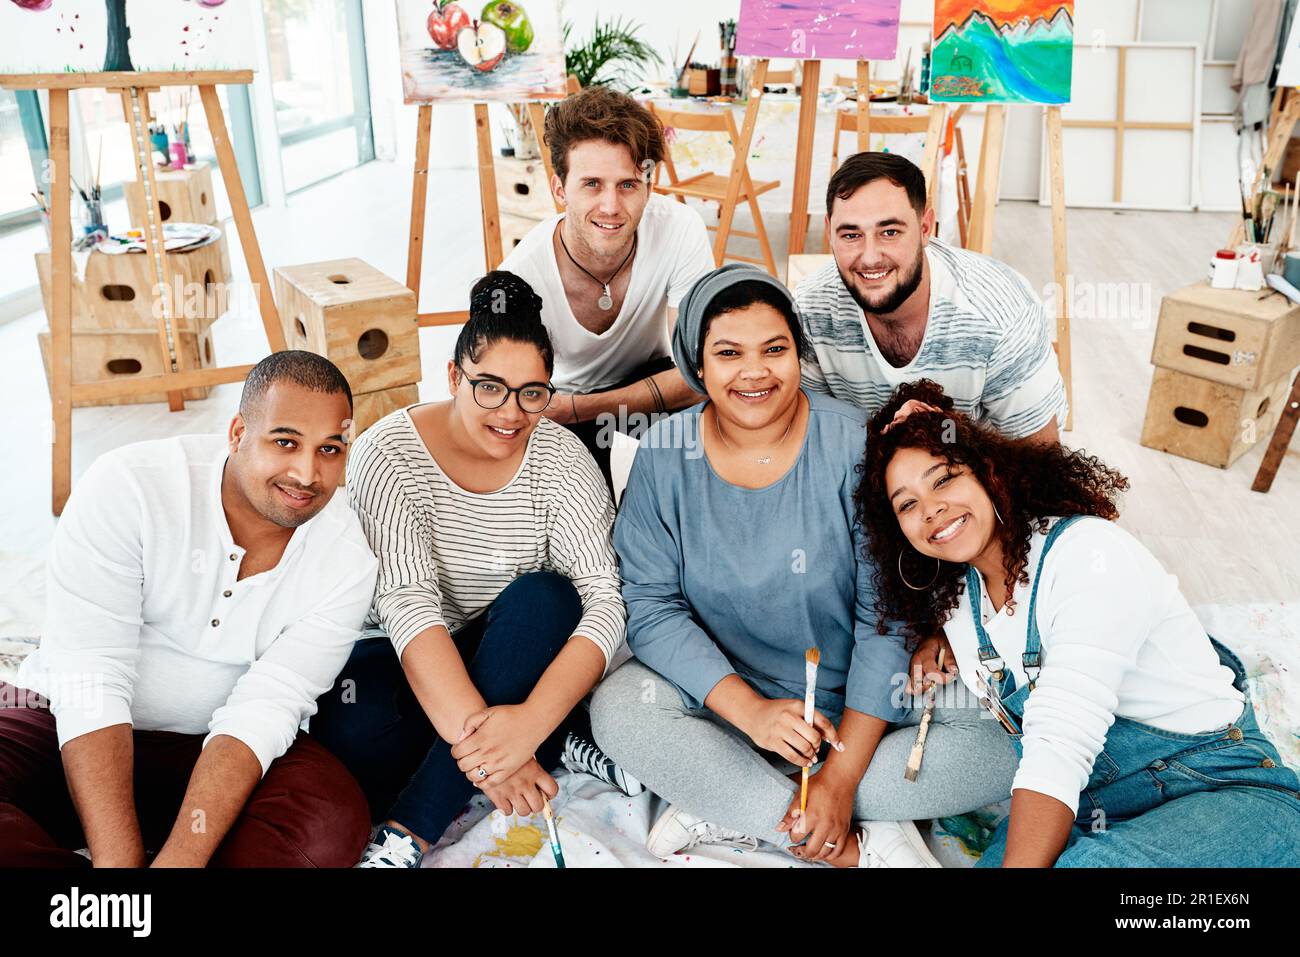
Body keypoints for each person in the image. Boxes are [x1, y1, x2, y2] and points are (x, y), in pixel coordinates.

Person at [589, 265, 1020, 868]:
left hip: (865, 710)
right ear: (698, 364)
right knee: (618, 708)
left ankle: (745, 803)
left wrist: (842, 780)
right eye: (729, 353)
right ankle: (844, 838)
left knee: (999, 742)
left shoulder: (850, 443)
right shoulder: (666, 455)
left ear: (799, 352)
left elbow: (887, 614)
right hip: (729, 703)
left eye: (775, 349)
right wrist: (749, 711)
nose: (755, 371)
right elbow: (652, 605)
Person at [856, 378, 1300, 867]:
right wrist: (934, 634)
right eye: (907, 504)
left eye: (944, 479)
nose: (932, 509)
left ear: (991, 476)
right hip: (1094, 807)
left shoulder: (1089, 555)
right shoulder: (960, 601)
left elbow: (1057, 747)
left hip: (1219, 787)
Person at [0, 351, 378, 868]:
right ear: (238, 431)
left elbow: (265, 708)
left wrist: (181, 859)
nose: (306, 474)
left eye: (330, 449)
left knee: (331, 821)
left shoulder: (347, 559)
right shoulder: (129, 485)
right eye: (285, 442)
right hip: (70, 732)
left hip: (215, 757)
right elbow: (90, 677)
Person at [312, 271, 630, 868]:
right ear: (454, 376)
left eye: (532, 393)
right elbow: (407, 603)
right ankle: (548, 745)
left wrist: (529, 718)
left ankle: (411, 829)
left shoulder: (562, 458)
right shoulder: (388, 452)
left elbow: (605, 600)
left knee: (548, 599)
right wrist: (499, 754)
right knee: (343, 723)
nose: (511, 413)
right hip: (416, 659)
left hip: (521, 651)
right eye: (490, 387)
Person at [500, 85, 715, 486]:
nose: (612, 207)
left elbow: (701, 375)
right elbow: (505, 405)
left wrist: (581, 409)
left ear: (650, 186)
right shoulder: (520, 276)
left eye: (628, 185)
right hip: (560, 397)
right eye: (592, 184)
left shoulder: (680, 227)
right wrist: (568, 411)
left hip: (637, 389)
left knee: (702, 473)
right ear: (560, 189)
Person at [795, 151, 1067, 443]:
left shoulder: (1000, 314)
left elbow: (1040, 465)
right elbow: (814, 440)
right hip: (862, 468)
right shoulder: (809, 309)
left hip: (982, 474)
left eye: (889, 231)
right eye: (851, 235)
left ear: (925, 228)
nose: (870, 257)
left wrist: (942, 443)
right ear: (829, 233)